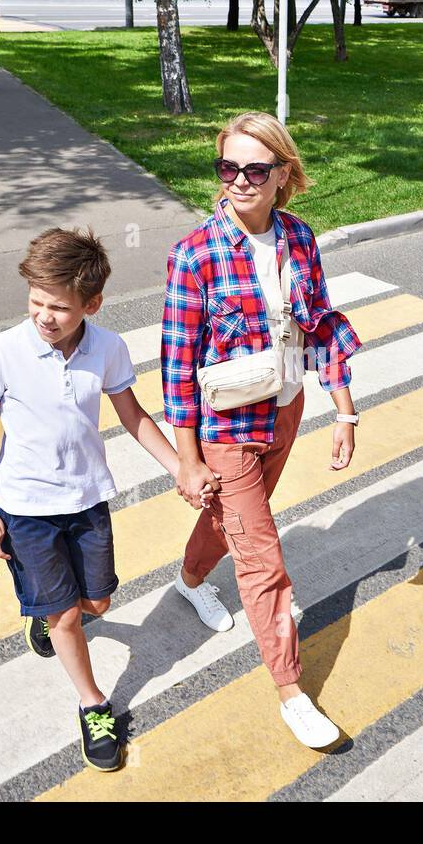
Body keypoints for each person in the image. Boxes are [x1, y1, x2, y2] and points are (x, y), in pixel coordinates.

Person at [0, 227, 219, 772]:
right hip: (25, 509)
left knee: (97, 603)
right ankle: (92, 701)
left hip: (86, 501)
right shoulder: (4, 351)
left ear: (92, 303)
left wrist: (181, 467)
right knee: (67, 620)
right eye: (36, 301)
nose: (44, 316)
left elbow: (132, 415)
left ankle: (48, 612)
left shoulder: (107, 347)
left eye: (58, 306)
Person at [161, 111, 363, 749]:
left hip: (285, 408)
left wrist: (344, 407)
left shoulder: (300, 238)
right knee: (261, 558)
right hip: (226, 426)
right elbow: (175, 365)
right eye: (229, 168)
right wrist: (187, 461)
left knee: (233, 520)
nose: (240, 181)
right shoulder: (194, 255)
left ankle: (189, 580)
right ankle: (291, 690)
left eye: (256, 169)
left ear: (283, 174)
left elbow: (320, 324)